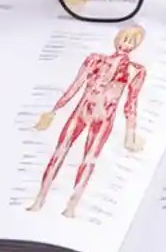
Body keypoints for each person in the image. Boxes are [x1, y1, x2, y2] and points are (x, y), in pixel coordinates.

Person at [29, 25, 147, 218]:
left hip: (104, 118)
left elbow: (131, 104)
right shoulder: (95, 60)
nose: (125, 45)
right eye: (124, 39)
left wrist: (130, 135)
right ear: (117, 39)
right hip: (82, 111)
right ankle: (39, 199)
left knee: (89, 160)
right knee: (59, 152)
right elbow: (75, 86)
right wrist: (53, 111)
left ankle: (71, 206)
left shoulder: (136, 71)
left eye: (132, 43)